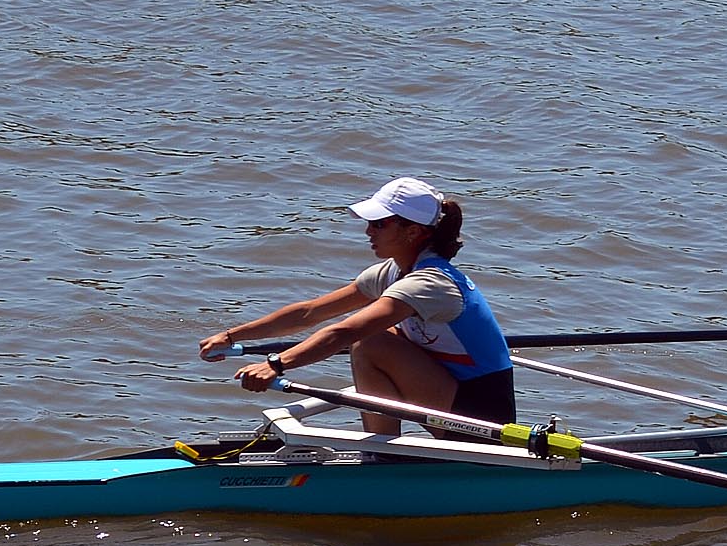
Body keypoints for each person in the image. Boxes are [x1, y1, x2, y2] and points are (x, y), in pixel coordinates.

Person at [198, 177, 516, 435]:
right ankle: (384, 446)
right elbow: (309, 312)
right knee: (379, 337)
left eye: (379, 224)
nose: (368, 231)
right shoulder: (392, 272)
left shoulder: (431, 283)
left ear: (414, 232)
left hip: (483, 419)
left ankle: (383, 452)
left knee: (370, 340)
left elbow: (343, 331)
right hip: (451, 398)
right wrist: (231, 336)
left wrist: (276, 365)